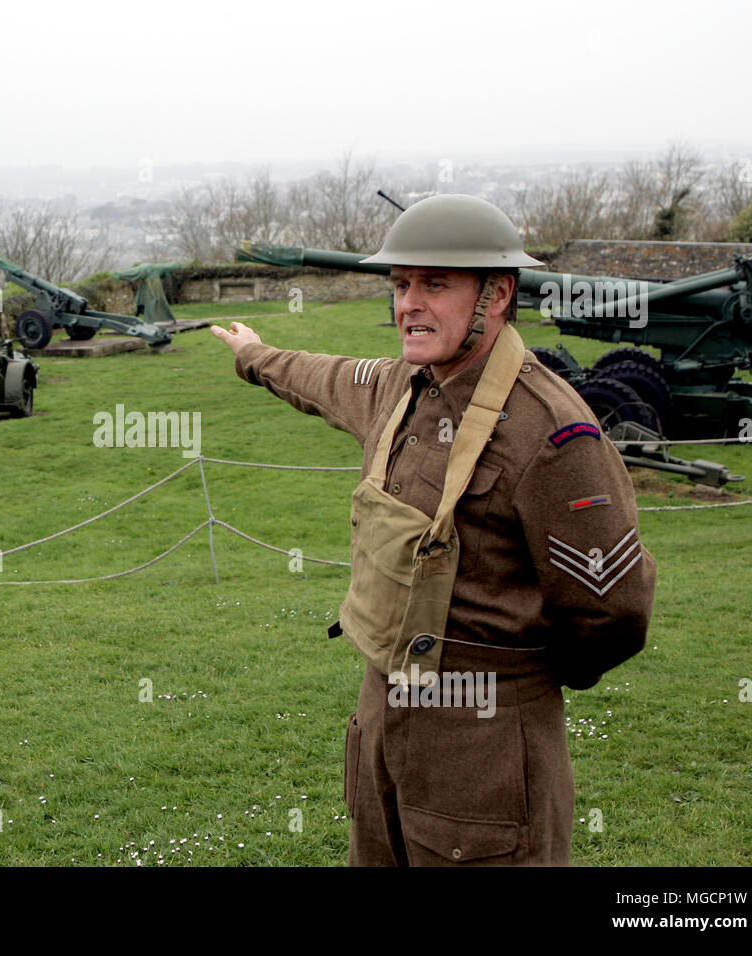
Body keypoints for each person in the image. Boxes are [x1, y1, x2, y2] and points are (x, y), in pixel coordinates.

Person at [211, 194, 656, 866]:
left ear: (497, 295)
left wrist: (518, 686)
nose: (408, 304)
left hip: (485, 751)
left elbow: (613, 611)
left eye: (435, 285)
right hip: (382, 727)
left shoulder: (553, 433)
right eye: (401, 285)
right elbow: (322, 378)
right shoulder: (402, 388)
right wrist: (253, 354)